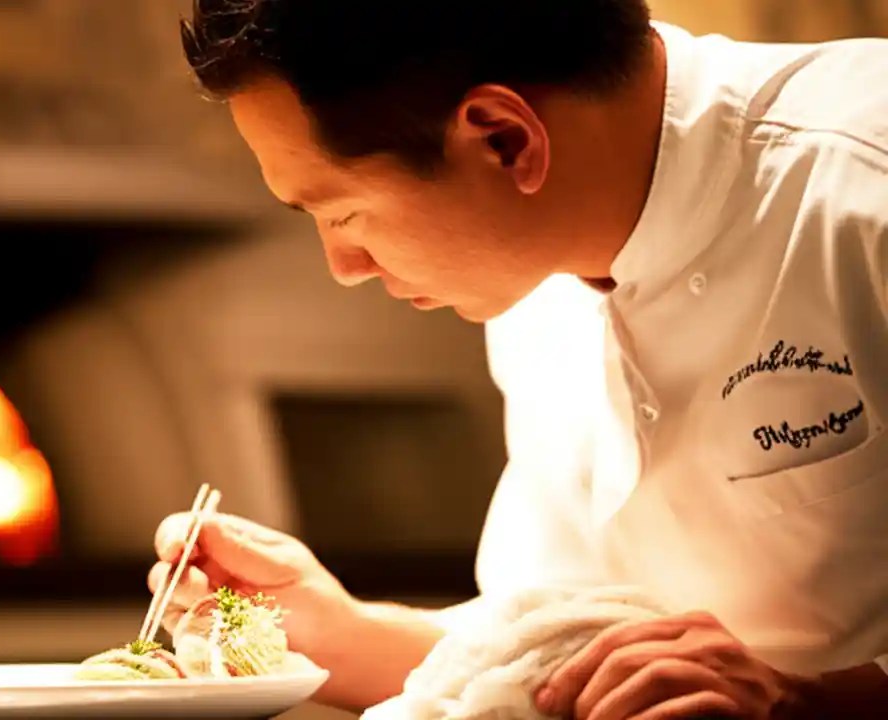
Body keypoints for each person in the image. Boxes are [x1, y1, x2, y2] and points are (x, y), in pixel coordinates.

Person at [150, 1, 888, 718]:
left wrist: (808, 703)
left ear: (504, 139)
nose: (343, 265)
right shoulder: (533, 262)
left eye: (341, 212)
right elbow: (556, 658)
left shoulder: (862, 190)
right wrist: (335, 634)